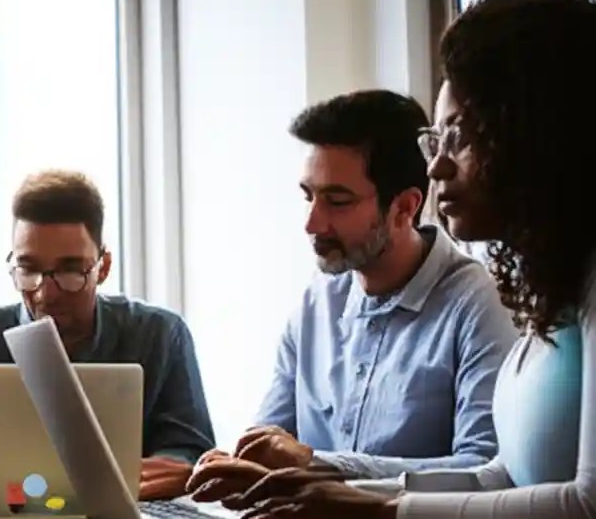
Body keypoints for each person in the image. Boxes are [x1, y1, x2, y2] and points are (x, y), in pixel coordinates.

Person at [198, 0, 596, 519]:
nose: (437, 165)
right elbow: (502, 478)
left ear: (532, 134)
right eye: (437, 140)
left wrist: (379, 511)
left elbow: (588, 510)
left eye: (458, 137)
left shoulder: (503, 296)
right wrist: (327, 492)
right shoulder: (552, 288)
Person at [204, 89, 517, 487]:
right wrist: (217, 470)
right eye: (308, 196)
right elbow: (268, 447)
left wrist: (318, 465)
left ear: (404, 207)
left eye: (337, 201)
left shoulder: (477, 303)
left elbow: (484, 467)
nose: (312, 224)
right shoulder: (315, 303)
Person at [0, 170, 215, 499]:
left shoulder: (159, 335)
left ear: (104, 267)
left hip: (133, 518)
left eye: (71, 270)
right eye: (28, 269)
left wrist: (155, 474)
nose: (45, 293)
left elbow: (191, 454)